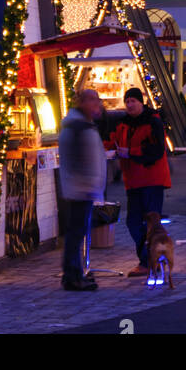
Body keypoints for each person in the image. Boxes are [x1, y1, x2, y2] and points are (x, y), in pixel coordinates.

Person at [106, 87, 172, 278]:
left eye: (133, 101)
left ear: (141, 102)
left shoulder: (153, 121)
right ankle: (148, 259)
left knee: (152, 223)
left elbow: (157, 150)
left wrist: (131, 153)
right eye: (127, 101)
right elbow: (113, 142)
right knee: (133, 222)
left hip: (152, 179)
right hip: (133, 181)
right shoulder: (122, 124)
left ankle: (151, 261)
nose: (129, 104)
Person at [58, 89, 106, 291]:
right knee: (76, 233)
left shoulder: (81, 124)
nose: (98, 105)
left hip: (82, 187)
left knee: (77, 232)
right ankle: (72, 275)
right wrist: (87, 184)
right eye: (93, 101)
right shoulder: (78, 126)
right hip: (81, 188)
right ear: (84, 102)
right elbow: (79, 159)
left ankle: (74, 273)